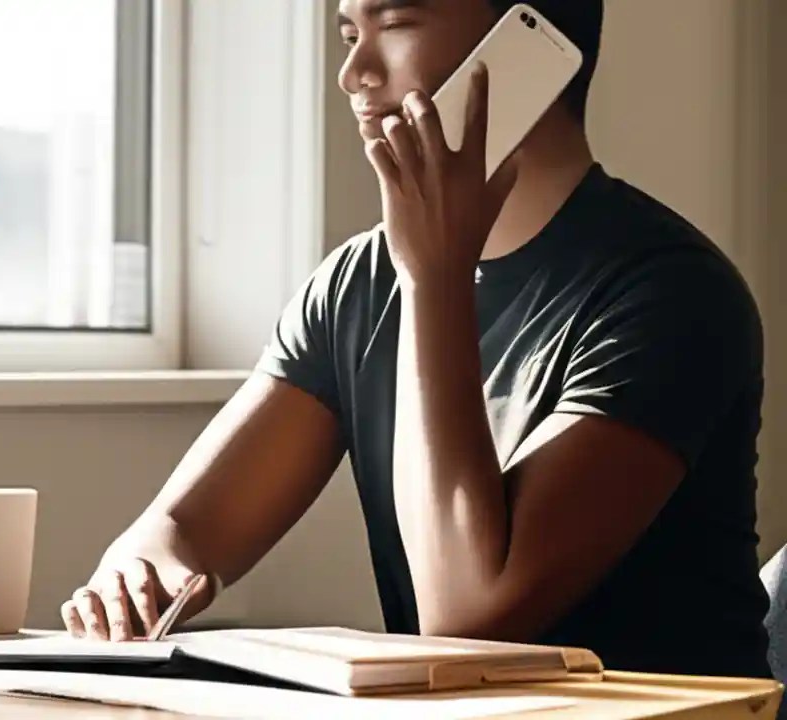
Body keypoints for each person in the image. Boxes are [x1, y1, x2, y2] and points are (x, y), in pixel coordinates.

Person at [61, 0, 772, 679]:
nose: (355, 73)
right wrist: (136, 576)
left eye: (395, 22)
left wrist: (435, 275)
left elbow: (471, 619)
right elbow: (183, 532)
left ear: (531, 46)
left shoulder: (672, 293)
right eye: (348, 34)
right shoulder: (357, 284)